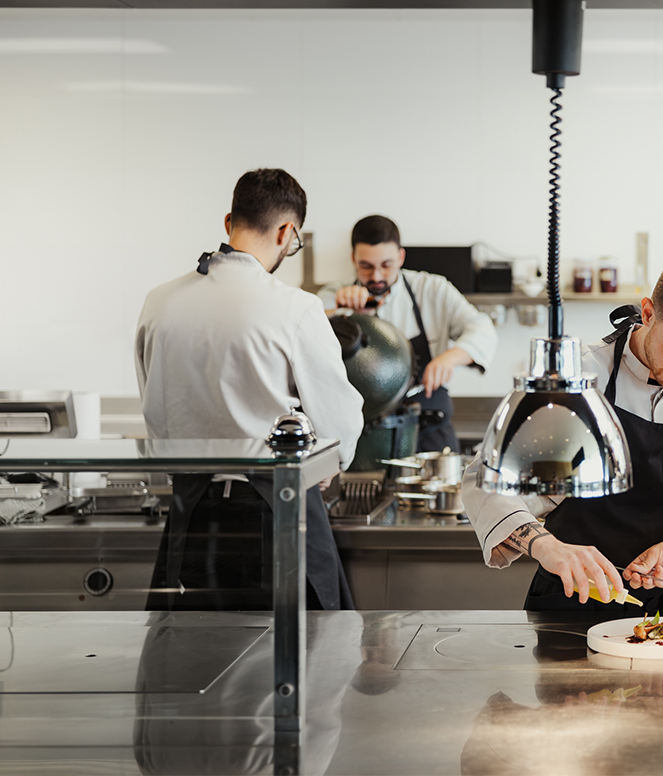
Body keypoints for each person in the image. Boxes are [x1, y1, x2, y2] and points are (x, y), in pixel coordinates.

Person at [461, 254, 663, 618]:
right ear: (648, 313)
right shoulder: (576, 378)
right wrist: (547, 547)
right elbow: (482, 482)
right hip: (570, 606)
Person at [135, 168, 364, 611]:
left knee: (193, 645)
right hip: (278, 510)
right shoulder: (296, 308)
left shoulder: (159, 303)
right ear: (287, 232)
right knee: (301, 647)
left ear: (229, 222)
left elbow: (154, 410)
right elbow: (339, 429)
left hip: (192, 513)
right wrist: (329, 463)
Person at [319, 216, 497, 453]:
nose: (377, 276)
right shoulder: (335, 295)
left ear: (401, 257)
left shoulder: (432, 290)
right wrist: (341, 312)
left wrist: (450, 358)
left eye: (386, 265)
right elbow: (304, 331)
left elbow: (482, 328)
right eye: (366, 266)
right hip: (363, 437)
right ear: (353, 259)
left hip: (428, 428)